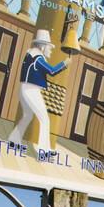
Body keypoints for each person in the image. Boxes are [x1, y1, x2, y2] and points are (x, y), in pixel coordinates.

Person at [7, 30, 71, 158]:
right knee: (45, 120)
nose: (51, 51)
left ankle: (13, 140)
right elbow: (51, 71)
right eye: (49, 47)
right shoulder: (38, 58)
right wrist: (64, 63)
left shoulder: (30, 54)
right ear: (42, 46)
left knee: (27, 116)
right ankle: (44, 152)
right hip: (32, 91)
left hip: (24, 88)